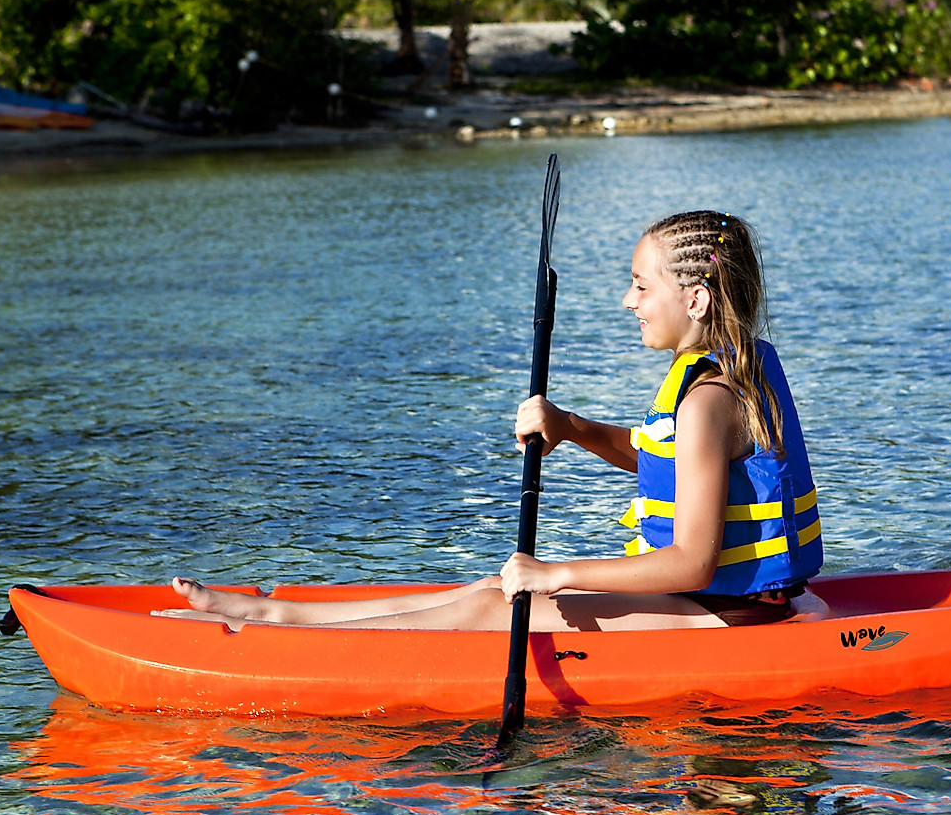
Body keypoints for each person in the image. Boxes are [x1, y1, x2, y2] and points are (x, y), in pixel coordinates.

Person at [156, 210, 823, 632]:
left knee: (501, 602)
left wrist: (556, 573)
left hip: (730, 614)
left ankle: (272, 628)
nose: (628, 301)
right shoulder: (728, 369)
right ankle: (277, 614)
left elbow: (692, 562)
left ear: (697, 298)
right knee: (489, 588)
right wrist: (573, 427)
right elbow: (675, 464)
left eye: (642, 286)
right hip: (724, 602)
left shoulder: (709, 399)